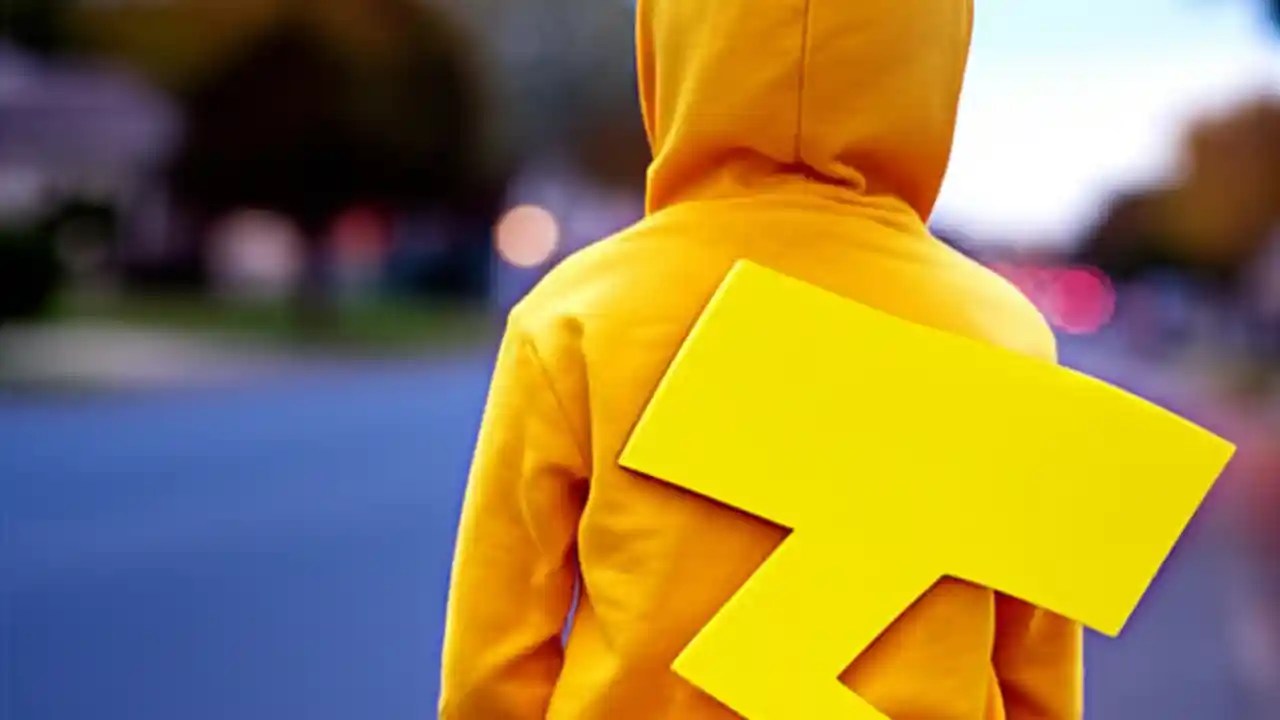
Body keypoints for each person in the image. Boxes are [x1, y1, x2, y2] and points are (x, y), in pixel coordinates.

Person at [440, 0, 1082, 717]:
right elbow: (1036, 673)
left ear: (671, 45)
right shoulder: (1007, 337)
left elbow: (491, 667)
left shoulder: (577, 313)